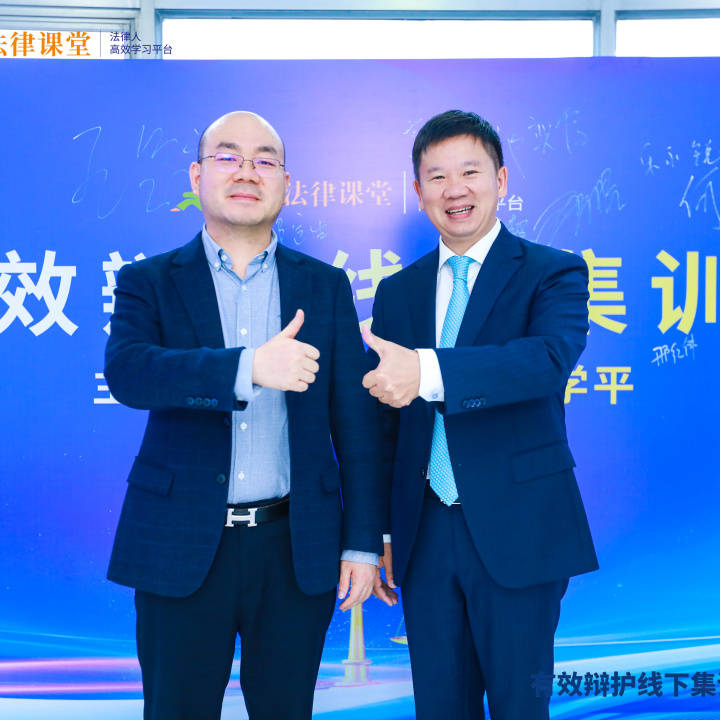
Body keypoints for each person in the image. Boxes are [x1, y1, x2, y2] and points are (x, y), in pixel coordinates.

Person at [105, 110, 391, 720]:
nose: (246, 172)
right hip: (179, 543)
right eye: (228, 157)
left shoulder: (324, 286)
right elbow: (130, 372)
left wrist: (363, 544)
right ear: (197, 176)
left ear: (286, 182)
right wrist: (248, 368)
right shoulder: (149, 281)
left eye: (264, 160)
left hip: (294, 546)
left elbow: (356, 427)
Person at [364, 110, 598, 720]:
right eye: (437, 176)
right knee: (440, 705)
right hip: (423, 532)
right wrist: (383, 531)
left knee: (521, 706)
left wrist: (427, 372)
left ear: (501, 179)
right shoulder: (398, 292)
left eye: (470, 172)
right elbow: (385, 427)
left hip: (520, 527)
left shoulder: (553, 271)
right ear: (418, 191)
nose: (455, 189)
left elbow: (544, 361)